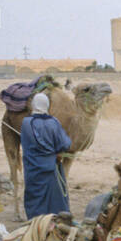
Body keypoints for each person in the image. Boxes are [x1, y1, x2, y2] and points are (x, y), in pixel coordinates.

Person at [20, 91, 72, 219]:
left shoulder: (26, 123)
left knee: (35, 197)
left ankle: (36, 222)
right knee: (55, 198)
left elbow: (25, 144)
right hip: (51, 167)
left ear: (33, 105)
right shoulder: (53, 122)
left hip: (33, 169)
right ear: (47, 105)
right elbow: (65, 144)